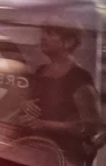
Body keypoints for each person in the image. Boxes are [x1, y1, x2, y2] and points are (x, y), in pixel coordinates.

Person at [18, 22, 105, 166]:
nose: (43, 38)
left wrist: (44, 125)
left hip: (64, 158)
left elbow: (93, 127)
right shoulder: (41, 71)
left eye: (50, 33)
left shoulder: (79, 78)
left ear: (68, 42)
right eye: (43, 33)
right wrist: (24, 105)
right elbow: (29, 100)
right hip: (35, 152)